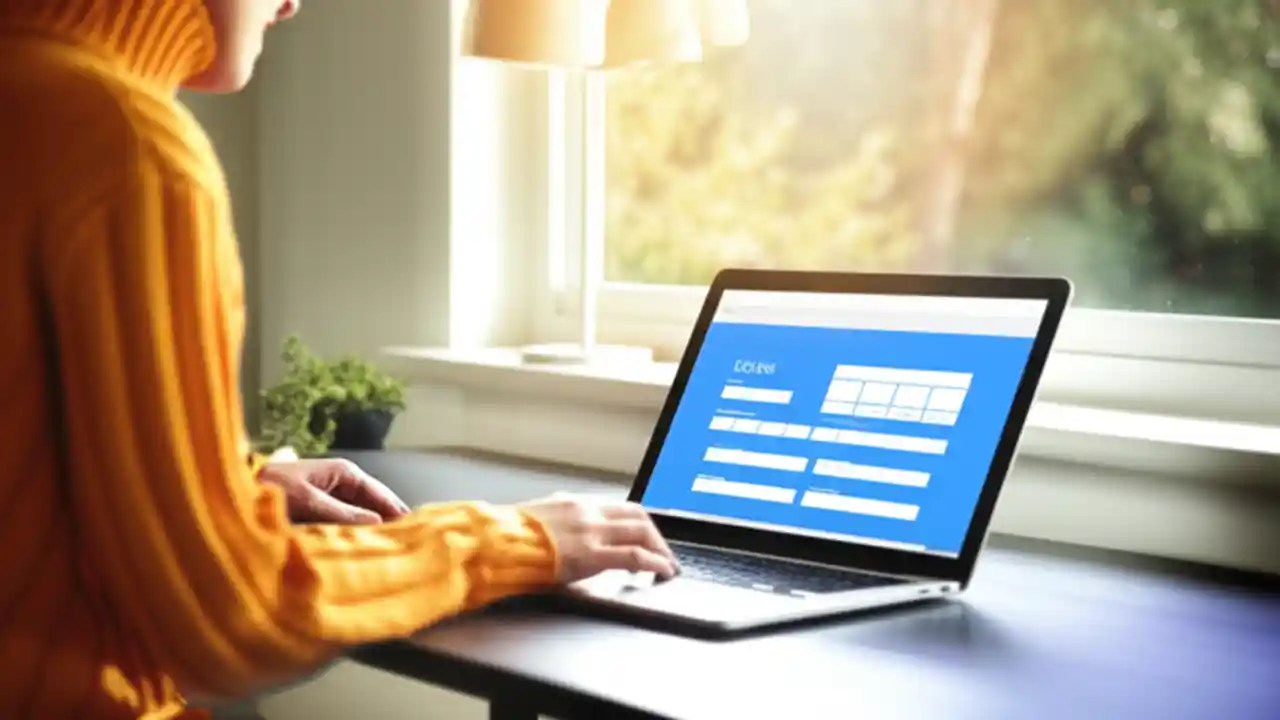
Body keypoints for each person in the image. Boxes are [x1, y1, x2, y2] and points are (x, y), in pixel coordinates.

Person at [0, 0, 679, 717]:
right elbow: (235, 617)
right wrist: (510, 542)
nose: (292, 3)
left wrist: (220, 491)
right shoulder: (122, 145)